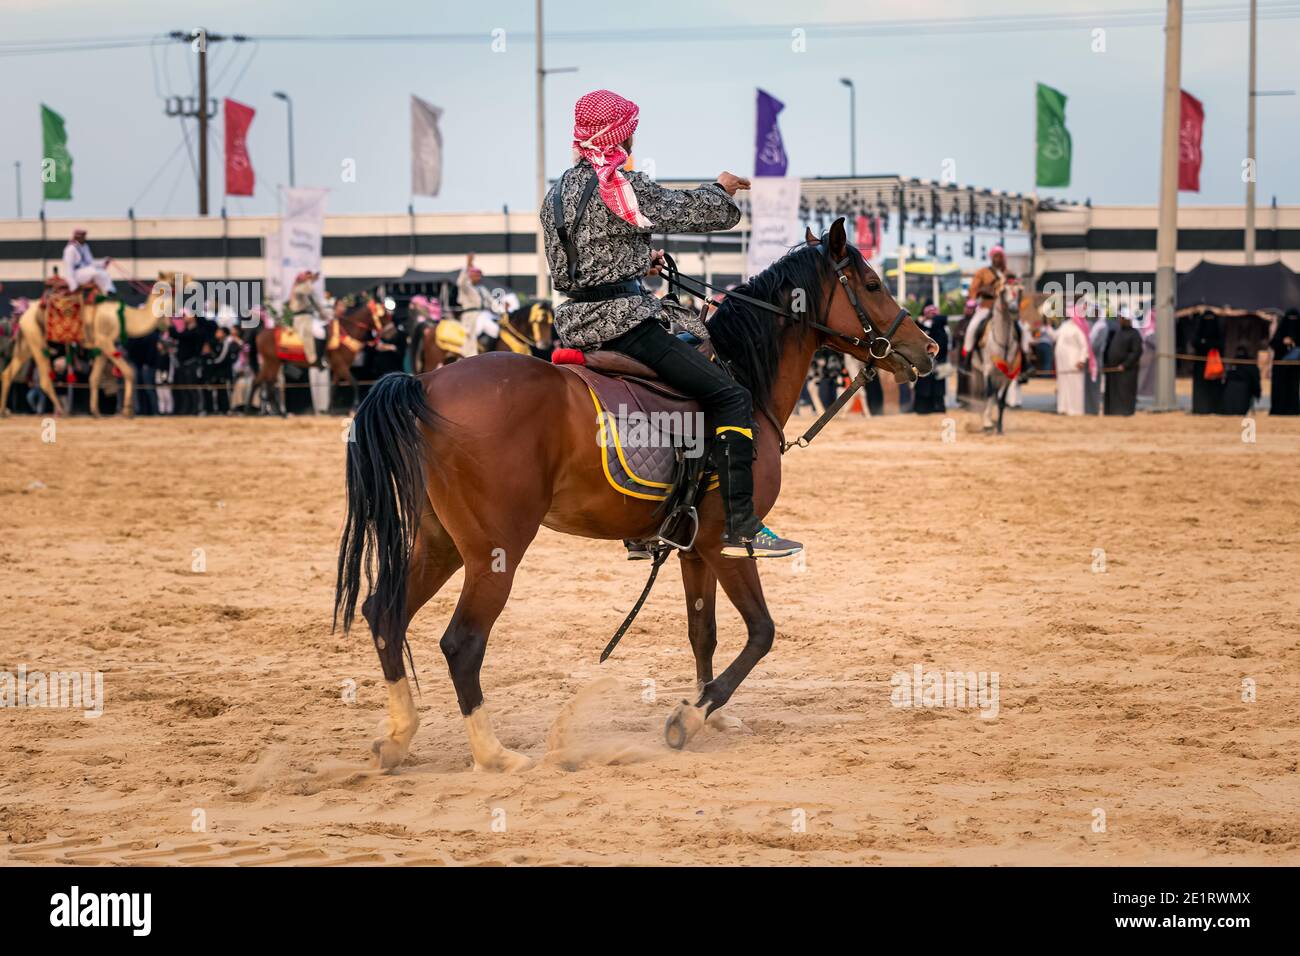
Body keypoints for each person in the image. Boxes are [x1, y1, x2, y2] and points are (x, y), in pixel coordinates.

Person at [540, 89, 799, 558]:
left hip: (576, 323)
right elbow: (694, 212)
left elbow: (579, 263)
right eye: (630, 128)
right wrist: (720, 187)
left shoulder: (555, 192)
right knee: (730, 394)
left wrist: (639, 260)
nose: (635, 136)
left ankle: (644, 524)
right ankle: (741, 522)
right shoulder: (616, 184)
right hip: (625, 323)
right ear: (619, 132)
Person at [1053, 301, 1093, 416]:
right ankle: (1062, 408)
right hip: (1062, 364)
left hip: (1074, 363)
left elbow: (1084, 346)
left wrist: (1081, 360)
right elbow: (1055, 336)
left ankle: (1075, 410)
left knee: (1075, 386)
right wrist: (1047, 328)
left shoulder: (1079, 328)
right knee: (1063, 386)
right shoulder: (1065, 325)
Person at [457, 254, 500, 356]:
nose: (479, 277)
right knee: (491, 330)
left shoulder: (482, 289)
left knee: (498, 327)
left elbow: (492, 302)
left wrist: (503, 310)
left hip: (484, 314)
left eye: (480, 275)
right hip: (471, 317)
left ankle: (489, 351)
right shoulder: (466, 288)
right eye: (476, 275)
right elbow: (461, 282)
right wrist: (468, 265)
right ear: (470, 276)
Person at [1103, 310, 1142, 416]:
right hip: (1114, 371)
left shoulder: (1134, 334)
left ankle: (1124, 411)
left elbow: (1136, 352)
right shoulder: (1118, 332)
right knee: (1113, 392)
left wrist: (1125, 364)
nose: (1120, 320)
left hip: (1126, 371)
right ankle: (1112, 411)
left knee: (1124, 393)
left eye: (1122, 318)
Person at [913, 305, 948, 414]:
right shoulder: (923, 326)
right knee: (925, 385)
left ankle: (938, 407)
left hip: (942, 359)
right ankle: (924, 407)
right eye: (930, 313)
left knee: (939, 386)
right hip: (928, 359)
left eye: (934, 313)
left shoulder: (942, 326)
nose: (932, 315)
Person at [1191, 310, 1225, 415]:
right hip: (1201, 364)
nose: (1209, 323)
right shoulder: (1199, 332)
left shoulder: (1218, 333)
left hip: (1214, 364)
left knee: (1214, 387)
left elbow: (1221, 344)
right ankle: (1201, 408)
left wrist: (1205, 343)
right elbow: (1195, 342)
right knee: (1201, 387)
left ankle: (1214, 408)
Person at [61, 229, 115, 295]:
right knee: (95, 272)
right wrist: (73, 285)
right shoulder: (70, 249)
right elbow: (68, 268)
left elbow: (90, 262)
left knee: (103, 273)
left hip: (86, 271)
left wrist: (103, 262)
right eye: (82, 237)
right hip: (76, 274)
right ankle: (106, 293)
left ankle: (109, 292)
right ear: (77, 237)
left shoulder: (85, 247)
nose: (84, 238)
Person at [1269, 309, 1300, 415]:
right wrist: (1282, 342)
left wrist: (1295, 342)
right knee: (1279, 388)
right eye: (1290, 319)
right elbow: (1273, 344)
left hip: (1295, 367)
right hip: (1280, 366)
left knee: (1293, 388)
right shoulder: (1281, 331)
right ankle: (1278, 410)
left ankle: (1293, 410)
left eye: (1295, 319)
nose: (1292, 322)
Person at [1221, 346, 1261, 415]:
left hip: (1240, 394)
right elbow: (1256, 381)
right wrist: (1257, 393)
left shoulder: (1238, 363)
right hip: (1241, 396)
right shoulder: (1245, 363)